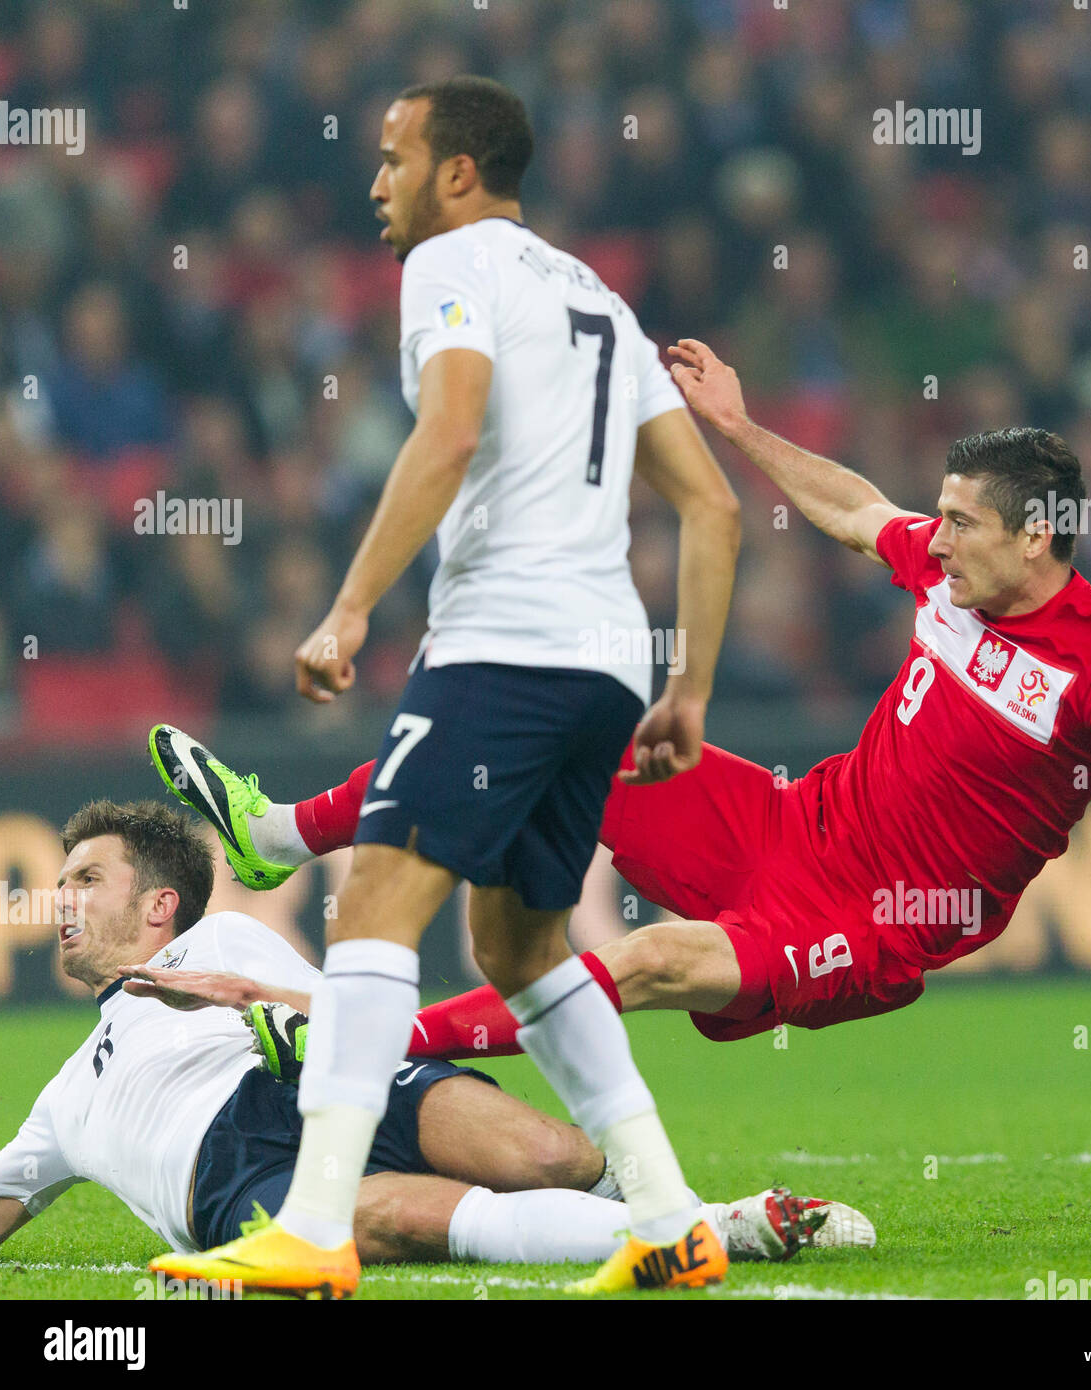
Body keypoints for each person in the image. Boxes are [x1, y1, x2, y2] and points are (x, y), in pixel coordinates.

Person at [147, 341, 1091, 1073]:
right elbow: (856, 509)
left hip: (868, 923)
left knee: (653, 958)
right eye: (938, 518)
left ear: (1036, 536)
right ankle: (275, 833)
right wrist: (738, 427)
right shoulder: (948, 573)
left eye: (961, 524)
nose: (934, 541)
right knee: (554, 708)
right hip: (782, 819)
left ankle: (362, 1045)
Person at [152, 78, 742, 1297]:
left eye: (392, 159)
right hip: (608, 661)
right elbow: (714, 501)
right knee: (519, 943)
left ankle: (313, 1231)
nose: (376, 185)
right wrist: (689, 685)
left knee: (371, 905)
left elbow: (452, 428)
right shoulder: (598, 298)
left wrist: (351, 602)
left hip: (506, 643)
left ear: (458, 172)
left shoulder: (450, 265)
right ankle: (672, 1216)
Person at [0, 800, 870, 1290]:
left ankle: (656, 1206)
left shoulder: (219, 943)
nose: (59, 897)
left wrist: (272, 1003)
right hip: (230, 1177)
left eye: (85, 879)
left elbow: (356, 1012)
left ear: (158, 906)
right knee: (395, 1216)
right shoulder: (62, 1101)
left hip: (317, 1078)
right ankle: (726, 1230)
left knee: (552, 1154)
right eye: (61, 881)